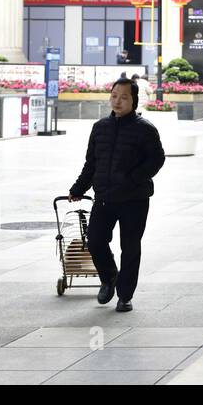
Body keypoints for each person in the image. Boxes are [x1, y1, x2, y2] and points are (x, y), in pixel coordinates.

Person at [68, 77, 166, 312]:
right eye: (114, 96)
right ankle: (109, 277)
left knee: (130, 247)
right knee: (95, 240)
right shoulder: (100, 128)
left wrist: (132, 178)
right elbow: (91, 164)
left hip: (134, 199)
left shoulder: (145, 129)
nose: (118, 101)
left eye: (124, 97)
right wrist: (78, 188)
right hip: (104, 197)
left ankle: (125, 295)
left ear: (134, 100)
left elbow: (157, 159)